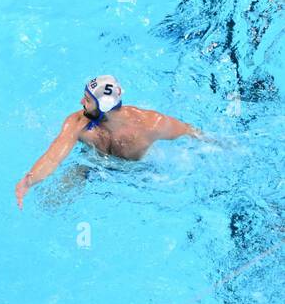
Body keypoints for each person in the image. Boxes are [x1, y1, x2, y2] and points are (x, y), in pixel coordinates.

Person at [15, 75, 204, 208]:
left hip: (140, 174)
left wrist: (223, 146)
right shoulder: (77, 122)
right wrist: (27, 181)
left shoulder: (151, 124)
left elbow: (193, 133)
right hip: (94, 165)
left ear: (103, 106)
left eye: (87, 100)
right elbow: (53, 157)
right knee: (51, 201)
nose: (81, 101)